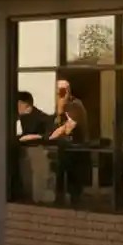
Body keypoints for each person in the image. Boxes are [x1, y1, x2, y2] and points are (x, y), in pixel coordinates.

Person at [50, 79, 90, 207]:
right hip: (63, 147)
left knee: (73, 177)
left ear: (68, 91)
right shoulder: (59, 105)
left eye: (62, 91)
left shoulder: (75, 105)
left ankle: (75, 201)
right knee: (60, 173)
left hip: (75, 147)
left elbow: (67, 128)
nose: (60, 94)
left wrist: (51, 137)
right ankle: (59, 199)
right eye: (58, 91)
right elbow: (54, 123)